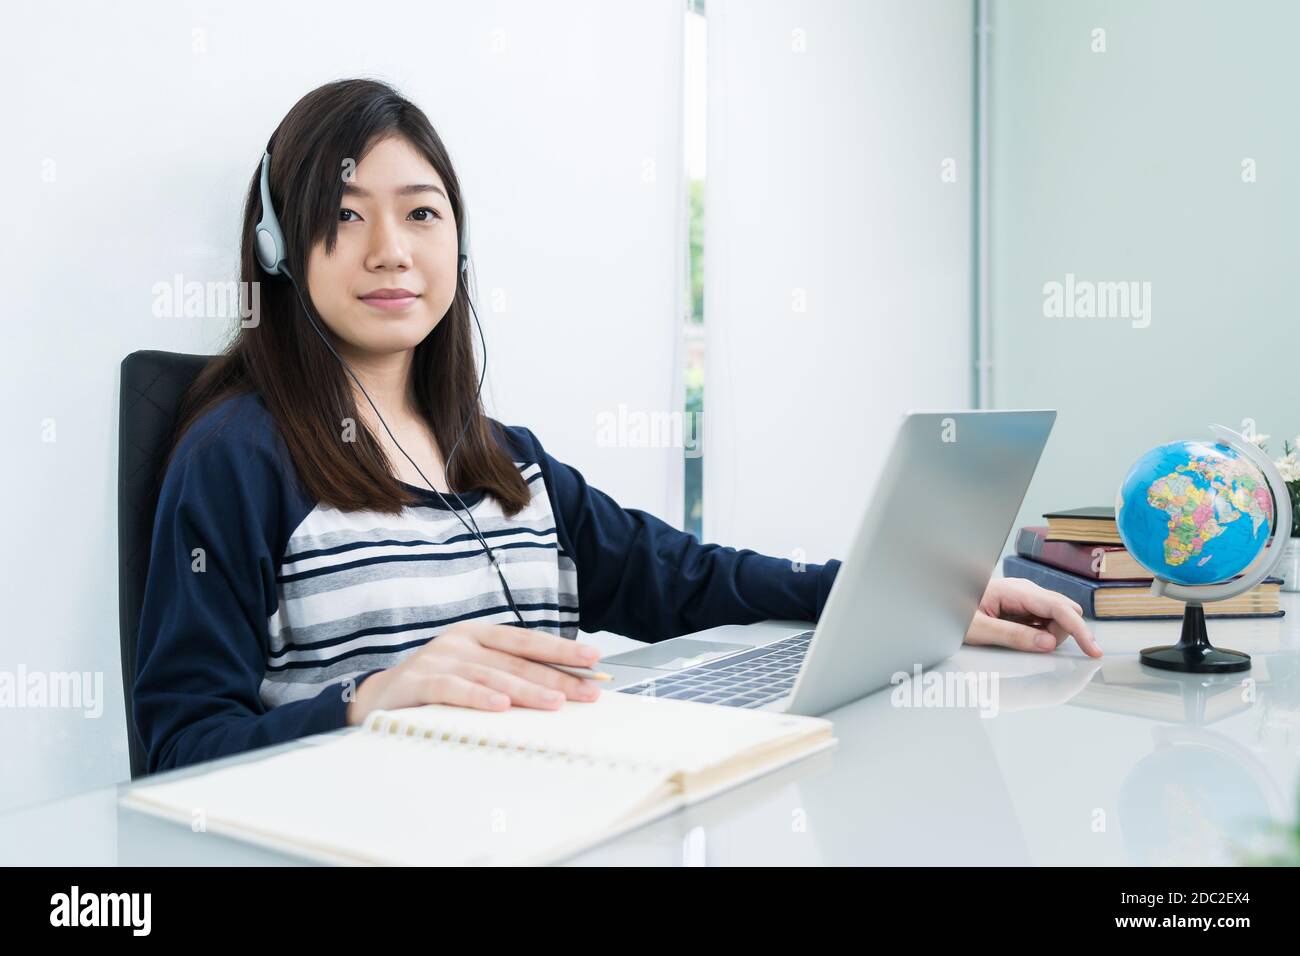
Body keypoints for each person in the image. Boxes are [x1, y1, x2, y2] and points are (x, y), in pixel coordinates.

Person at [133, 78, 1099, 776]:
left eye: (421, 213)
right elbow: (179, 746)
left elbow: (689, 581)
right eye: (345, 217)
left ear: (458, 244)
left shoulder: (506, 462)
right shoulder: (238, 458)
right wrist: (366, 700)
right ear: (280, 250)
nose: (391, 250)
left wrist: (919, 595)